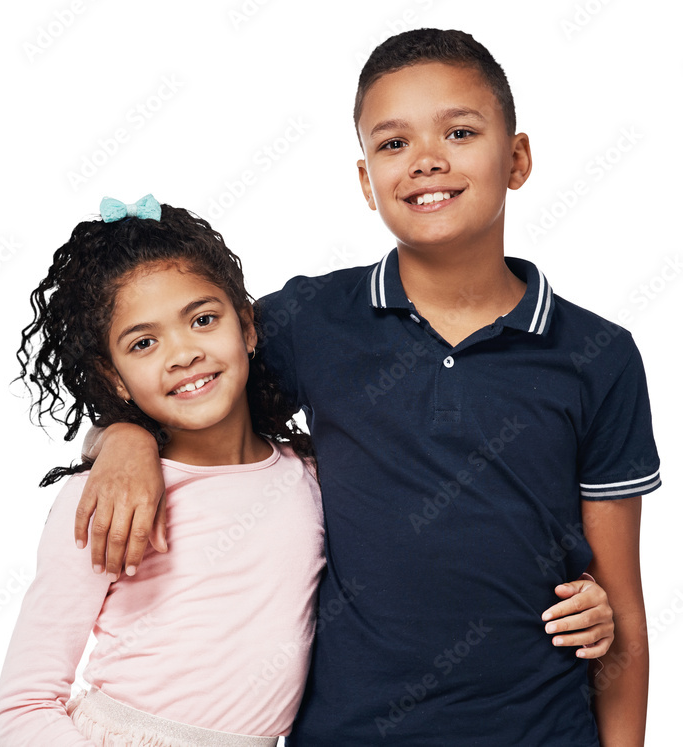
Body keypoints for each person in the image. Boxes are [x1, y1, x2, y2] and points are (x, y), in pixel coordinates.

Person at [77, 30, 658, 745]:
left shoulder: (598, 355)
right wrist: (124, 439)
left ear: (517, 158)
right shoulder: (311, 320)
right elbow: (183, 379)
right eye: (393, 144)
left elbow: (622, 611)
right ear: (365, 182)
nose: (426, 160)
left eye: (461, 130)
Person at [0, 196, 325, 745]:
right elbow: (25, 705)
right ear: (115, 377)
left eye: (202, 319)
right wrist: (117, 440)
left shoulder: (307, 478)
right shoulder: (109, 498)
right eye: (144, 343)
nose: (183, 353)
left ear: (246, 326)